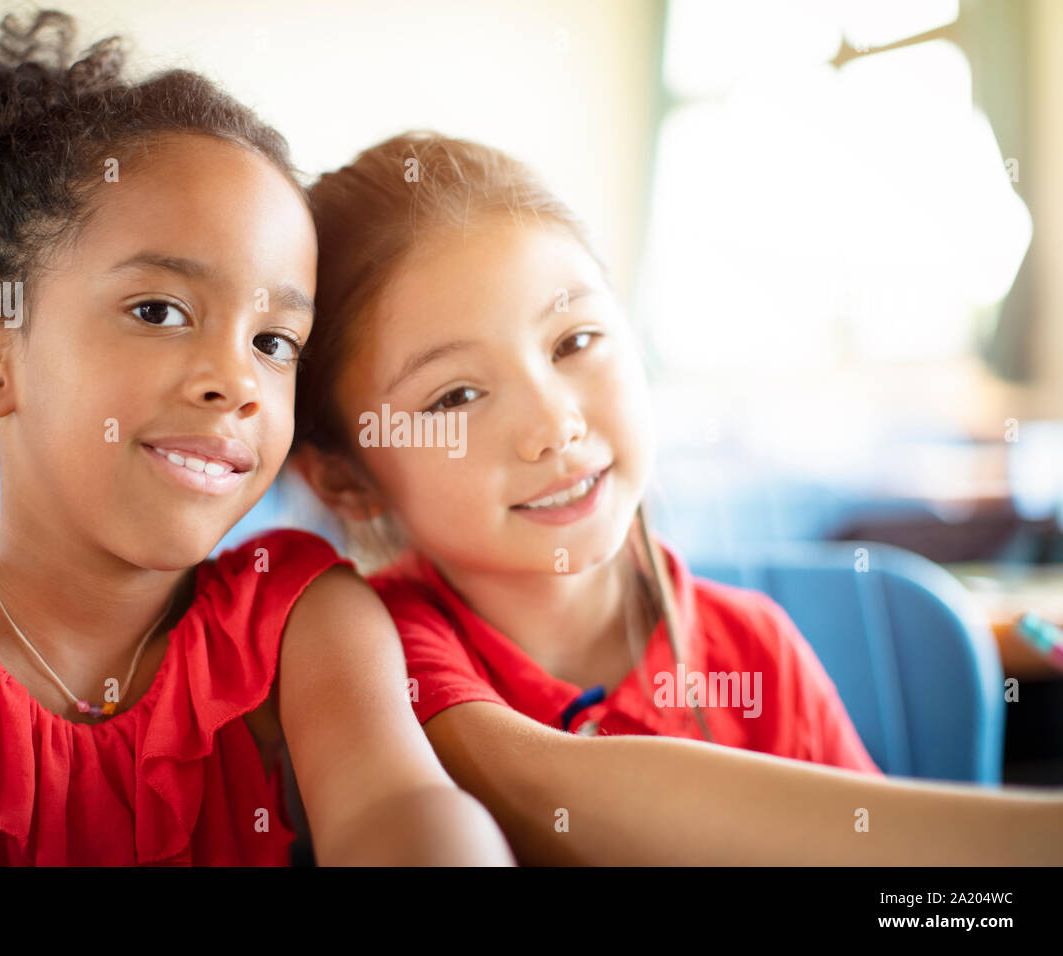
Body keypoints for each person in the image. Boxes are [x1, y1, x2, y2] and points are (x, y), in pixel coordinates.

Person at [0, 15, 511, 867]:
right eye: (159, 311)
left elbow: (403, 807)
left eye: (274, 343)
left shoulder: (301, 620)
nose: (235, 380)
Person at [290, 131, 1063, 864]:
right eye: (456, 395)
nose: (554, 424)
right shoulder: (371, 656)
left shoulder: (758, 651)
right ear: (346, 478)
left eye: (574, 342)